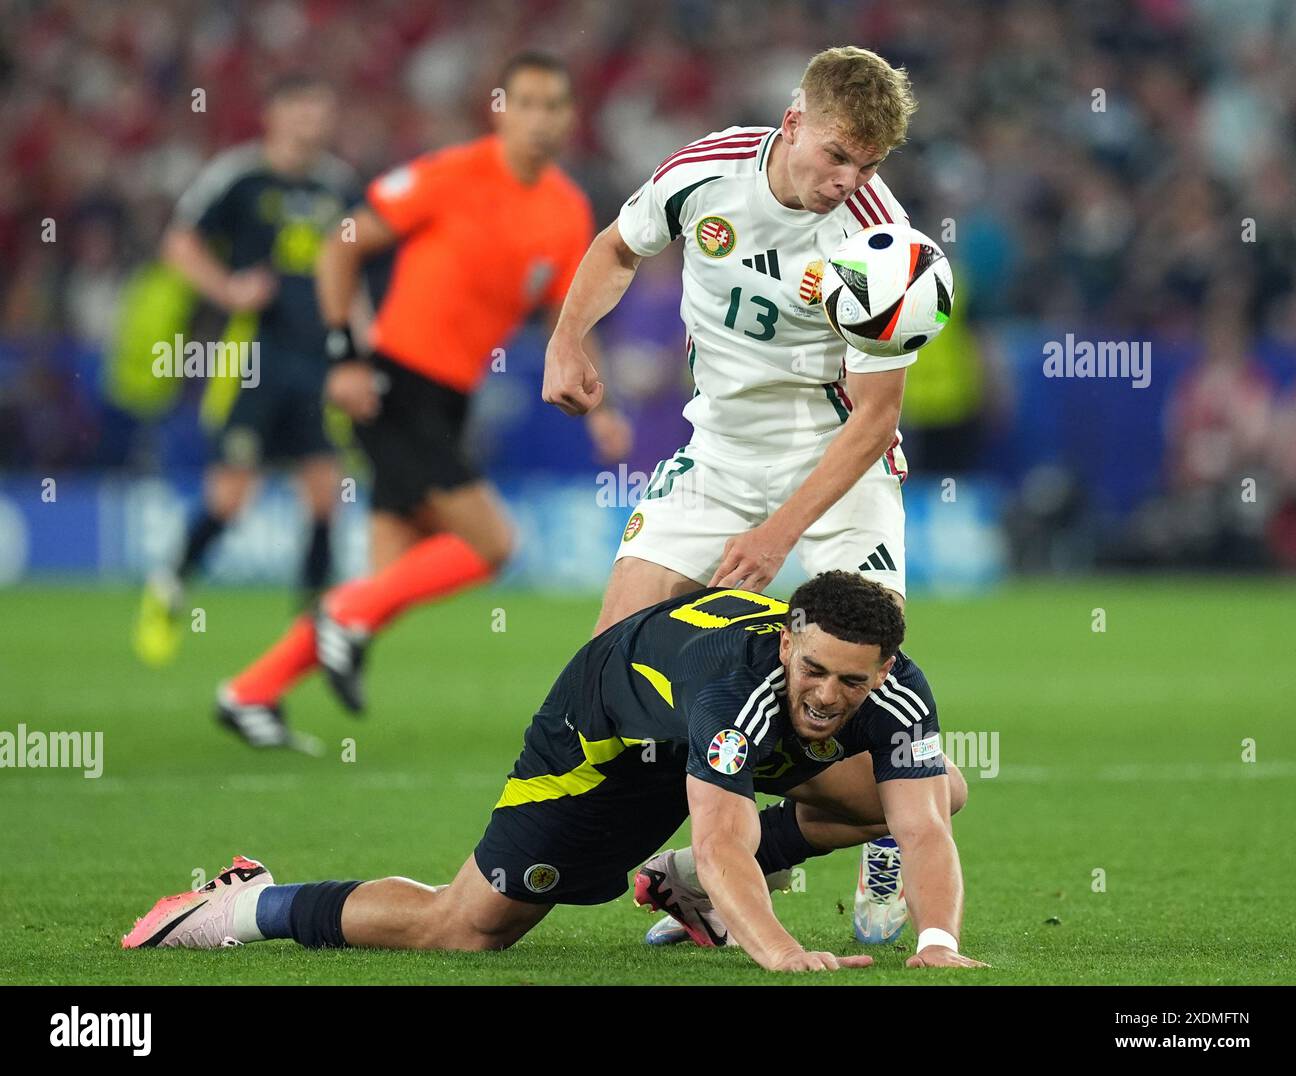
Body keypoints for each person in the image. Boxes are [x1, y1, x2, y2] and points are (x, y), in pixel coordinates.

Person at [123, 572, 985, 973]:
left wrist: (939, 946)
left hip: (701, 735)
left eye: (854, 680)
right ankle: (239, 906)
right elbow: (726, 838)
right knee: (466, 927)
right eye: (816, 670)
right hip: (604, 739)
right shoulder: (741, 687)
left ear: (886, 670)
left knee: (937, 786)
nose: (831, 696)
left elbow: (922, 827)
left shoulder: (897, 690)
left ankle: (675, 889)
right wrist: (784, 952)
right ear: (790, 641)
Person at [542, 45, 925, 943]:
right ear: (795, 120)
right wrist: (568, 339)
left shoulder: (880, 241)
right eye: (837, 155)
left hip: (840, 479)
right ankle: (702, 875)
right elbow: (616, 247)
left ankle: (864, 838)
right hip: (715, 460)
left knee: (843, 695)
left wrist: (776, 534)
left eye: (868, 165)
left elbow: (873, 420)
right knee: (609, 674)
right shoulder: (704, 174)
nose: (848, 180)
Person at [214, 52, 629, 746]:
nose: (539, 118)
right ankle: (336, 620)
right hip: (391, 383)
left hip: (449, 397)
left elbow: (570, 316)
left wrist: (605, 406)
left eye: (553, 105)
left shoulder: (565, 208)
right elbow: (336, 246)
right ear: (500, 109)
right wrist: (344, 355)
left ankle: (251, 691)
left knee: (391, 578)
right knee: (492, 544)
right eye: (525, 102)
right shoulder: (452, 173)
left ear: (570, 117)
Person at [133, 74, 360, 666]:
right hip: (253, 358)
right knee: (233, 496)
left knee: (323, 493)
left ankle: (310, 634)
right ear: (274, 114)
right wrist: (228, 289)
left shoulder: (337, 186)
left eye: (321, 109)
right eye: (301, 108)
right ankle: (170, 587)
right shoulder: (239, 175)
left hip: (317, 361)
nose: (312, 121)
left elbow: (351, 262)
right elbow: (179, 243)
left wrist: (358, 335)